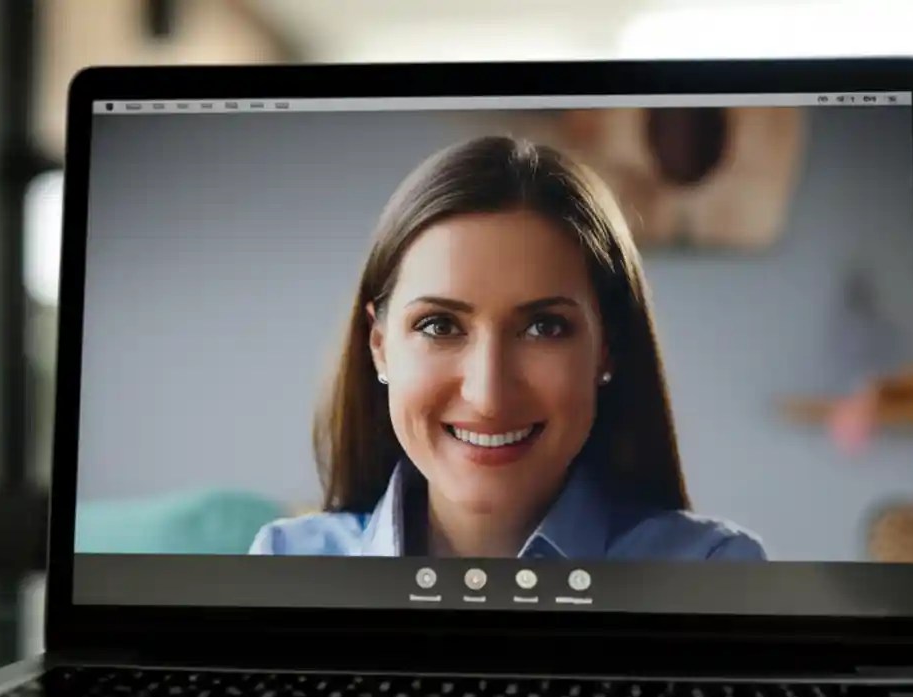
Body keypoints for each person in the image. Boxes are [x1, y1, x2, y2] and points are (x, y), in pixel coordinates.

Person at [250, 136, 765, 560]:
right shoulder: (282, 561)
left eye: (544, 327)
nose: (489, 395)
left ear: (607, 348)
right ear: (380, 347)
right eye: (439, 325)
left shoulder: (713, 569)